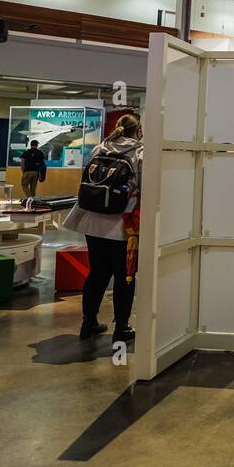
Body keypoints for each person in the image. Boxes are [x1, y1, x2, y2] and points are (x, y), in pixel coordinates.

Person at [63, 114, 143, 342]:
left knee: (97, 272)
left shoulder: (100, 148)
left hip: (93, 221)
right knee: (124, 276)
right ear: (137, 131)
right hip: (122, 225)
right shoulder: (139, 152)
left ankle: (88, 323)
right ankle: (122, 328)